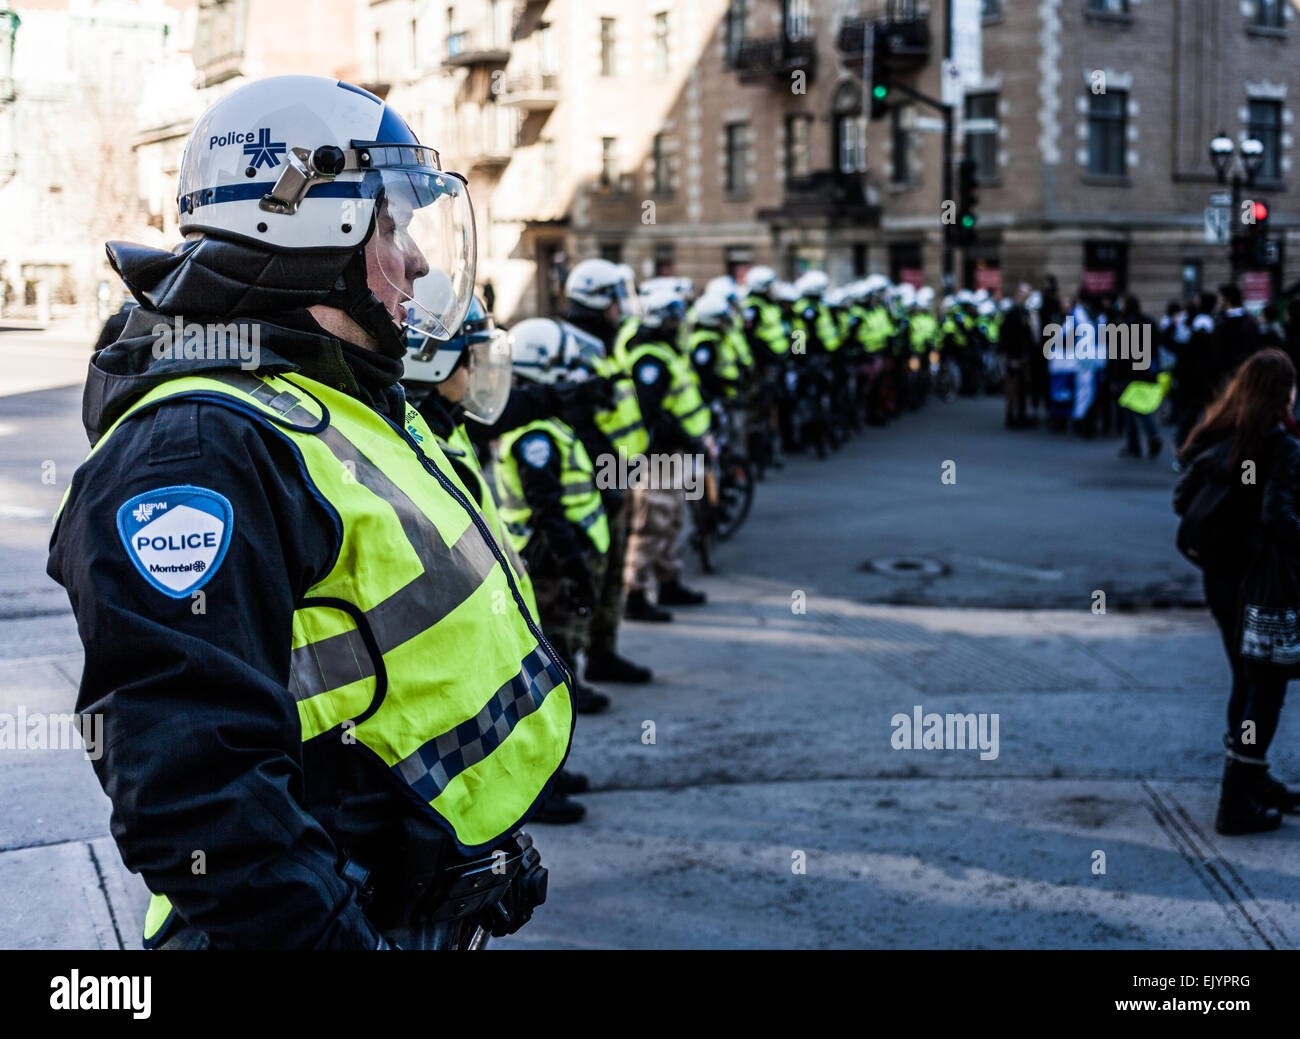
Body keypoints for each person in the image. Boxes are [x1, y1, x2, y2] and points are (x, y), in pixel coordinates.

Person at [47, 75, 573, 949]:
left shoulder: (327, 399)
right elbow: (191, 786)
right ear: (306, 212)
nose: (414, 261)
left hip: (398, 901)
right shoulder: (197, 447)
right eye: (393, 225)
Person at [401, 298, 600, 823]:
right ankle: (534, 793)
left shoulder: (441, 423)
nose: (478, 374)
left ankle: (543, 776)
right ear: (435, 363)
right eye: (470, 361)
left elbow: (514, 408)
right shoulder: (423, 438)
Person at [1175, 348, 1300, 835]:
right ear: (1283, 392)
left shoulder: (1219, 434)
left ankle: (1252, 779)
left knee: (1246, 682)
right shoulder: (1280, 444)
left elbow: (1182, 499)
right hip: (1261, 584)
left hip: (1220, 579)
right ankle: (1236, 800)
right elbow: (1276, 517)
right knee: (1265, 688)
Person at [562, 258, 655, 682]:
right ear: (600, 303)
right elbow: (579, 422)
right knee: (585, 575)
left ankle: (603, 654)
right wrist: (608, 477)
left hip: (616, 475)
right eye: (617, 299)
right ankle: (569, 672)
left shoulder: (602, 343)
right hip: (592, 482)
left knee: (613, 569)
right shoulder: (575, 348)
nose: (623, 307)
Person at [614, 288, 710, 620]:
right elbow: (649, 412)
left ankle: (668, 582)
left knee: (671, 522)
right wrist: (682, 434)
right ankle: (635, 594)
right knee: (651, 525)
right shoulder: (650, 359)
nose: (678, 323)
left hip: (673, 455)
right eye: (672, 318)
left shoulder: (664, 352)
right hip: (658, 457)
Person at [1114, 294, 1163, 459]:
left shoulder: (1125, 324)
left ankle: (1135, 445)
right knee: (1142, 407)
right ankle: (1151, 436)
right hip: (1146, 370)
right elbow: (1156, 347)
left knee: (1131, 409)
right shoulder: (1148, 321)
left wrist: (1115, 374)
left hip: (1128, 372)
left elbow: (1120, 353)